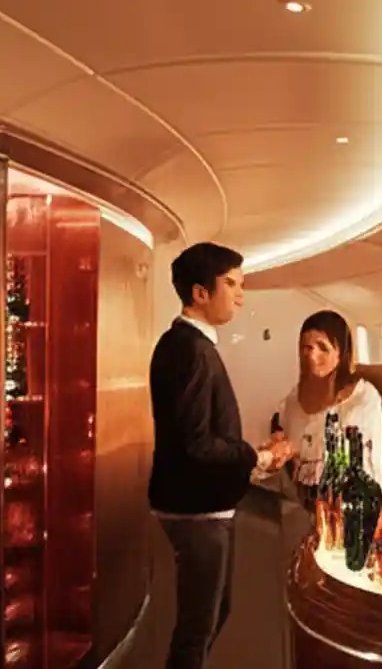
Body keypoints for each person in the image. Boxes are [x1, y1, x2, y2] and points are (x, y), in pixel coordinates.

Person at [147, 242, 287, 669]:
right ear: (200, 292)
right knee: (198, 626)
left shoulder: (185, 344)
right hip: (197, 508)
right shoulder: (191, 350)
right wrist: (255, 457)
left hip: (199, 504)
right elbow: (197, 443)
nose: (240, 295)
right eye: (231, 284)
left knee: (214, 613)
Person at [268, 310, 382, 502]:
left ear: (341, 354)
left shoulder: (362, 399)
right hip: (306, 504)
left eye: (323, 348)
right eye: (306, 347)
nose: (312, 356)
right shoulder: (293, 400)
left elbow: (350, 454)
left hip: (354, 503)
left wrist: (297, 449)